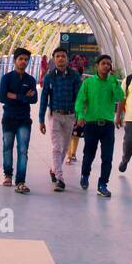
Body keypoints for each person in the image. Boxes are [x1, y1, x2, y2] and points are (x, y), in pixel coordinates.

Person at [75, 54, 123, 198]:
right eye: (104, 63)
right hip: (91, 125)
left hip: (107, 126)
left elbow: (120, 97)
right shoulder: (88, 83)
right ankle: (85, 175)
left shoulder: (113, 82)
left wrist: (114, 81)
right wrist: (80, 116)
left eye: (109, 64)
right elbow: (80, 101)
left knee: (107, 157)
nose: (106, 66)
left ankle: (102, 185)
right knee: (89, 154)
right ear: (98, 65)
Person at [38, 46, 83, 192]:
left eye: (63, 56)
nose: (60, 59)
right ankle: (60, 178)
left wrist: (79, 116)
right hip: (55, 115)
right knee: (57, 147)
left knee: (64, 148)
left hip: (70, 116)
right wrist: (41, 120)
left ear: (67, 59)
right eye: (57, 56)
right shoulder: (49, 76)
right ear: (54, 59)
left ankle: (54, 169)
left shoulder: (75, 76)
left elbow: (79, 98)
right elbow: (44, 98)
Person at [0, 47, 37, 193]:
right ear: (15, 61)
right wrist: (24, 96)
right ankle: (8, 174)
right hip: (8, 119)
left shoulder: (31, 80)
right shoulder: (7, 78)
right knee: (7, 148)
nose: (23, 62)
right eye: (21, 59)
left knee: (23, 150)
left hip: (24, 120)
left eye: (26, 59)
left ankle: (20, 180)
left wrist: (14, 96)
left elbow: (33, 99)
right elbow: (2, 97)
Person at [65, 53, 88, 164]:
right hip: (68, 109)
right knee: (70, 133)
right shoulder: (67, 81)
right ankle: (70, 154)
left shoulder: (82, 83)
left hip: (78, 110)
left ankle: (72, 154)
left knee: (76, 133)